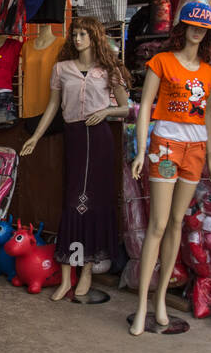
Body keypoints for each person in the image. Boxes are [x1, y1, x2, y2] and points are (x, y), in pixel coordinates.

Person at [22, 16, 132, 302]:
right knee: (73, 204)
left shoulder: (109, 70)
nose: (78, 38)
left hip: (100, 140)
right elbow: (53, 106)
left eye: (83, 34)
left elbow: (126, 108)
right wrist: (35, 136)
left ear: (95, 37)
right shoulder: (62, 69)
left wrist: (106, 112)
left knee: (94, 203)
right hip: (74, 138)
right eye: (76, 34)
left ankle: (86, 272)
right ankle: (67, 276)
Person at [129, 1, 211, 336]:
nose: (198, 30)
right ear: (183, 26)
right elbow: (145, 108)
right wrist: (141, 149)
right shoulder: (161, 62)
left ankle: (161, 301)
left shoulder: (210, 72)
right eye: (193, 24)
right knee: (158, 224)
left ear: (208, 31)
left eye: (203, 26)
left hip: (195, 148)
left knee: (177, 223)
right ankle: (142, 305)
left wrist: (210, 155)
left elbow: (208, 114)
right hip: (165, 144)